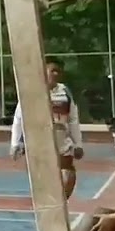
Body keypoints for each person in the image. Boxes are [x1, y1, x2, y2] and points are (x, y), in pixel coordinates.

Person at [10, 60, 84, 199]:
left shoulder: (65, 91)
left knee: (68, 175)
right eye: (52, 70)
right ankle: (49, 205)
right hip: (39, 145)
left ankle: (62, 203)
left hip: (62, 143)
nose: (55, 74)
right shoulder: (31, 91)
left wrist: (78, 144)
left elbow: (73, 119)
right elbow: (18, 118)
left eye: (58, 71)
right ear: (43, 73)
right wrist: (15, 143)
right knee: (44, 180)